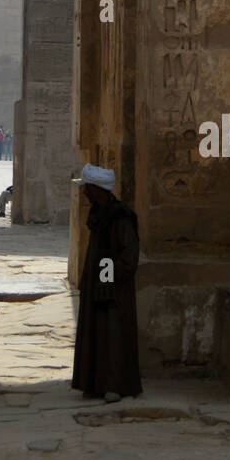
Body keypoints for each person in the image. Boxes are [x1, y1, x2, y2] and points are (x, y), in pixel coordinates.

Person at [71, 164, 142, 403]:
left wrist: (105, 278)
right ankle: (95, 383)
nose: (83, 193)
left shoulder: (120, 217)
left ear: (96, 190)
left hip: (113, 290)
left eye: (87, 188)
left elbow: (128, 258)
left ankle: (115, 384)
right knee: (96, 335)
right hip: (98, 286)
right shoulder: (99, 214)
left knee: (113, 336)